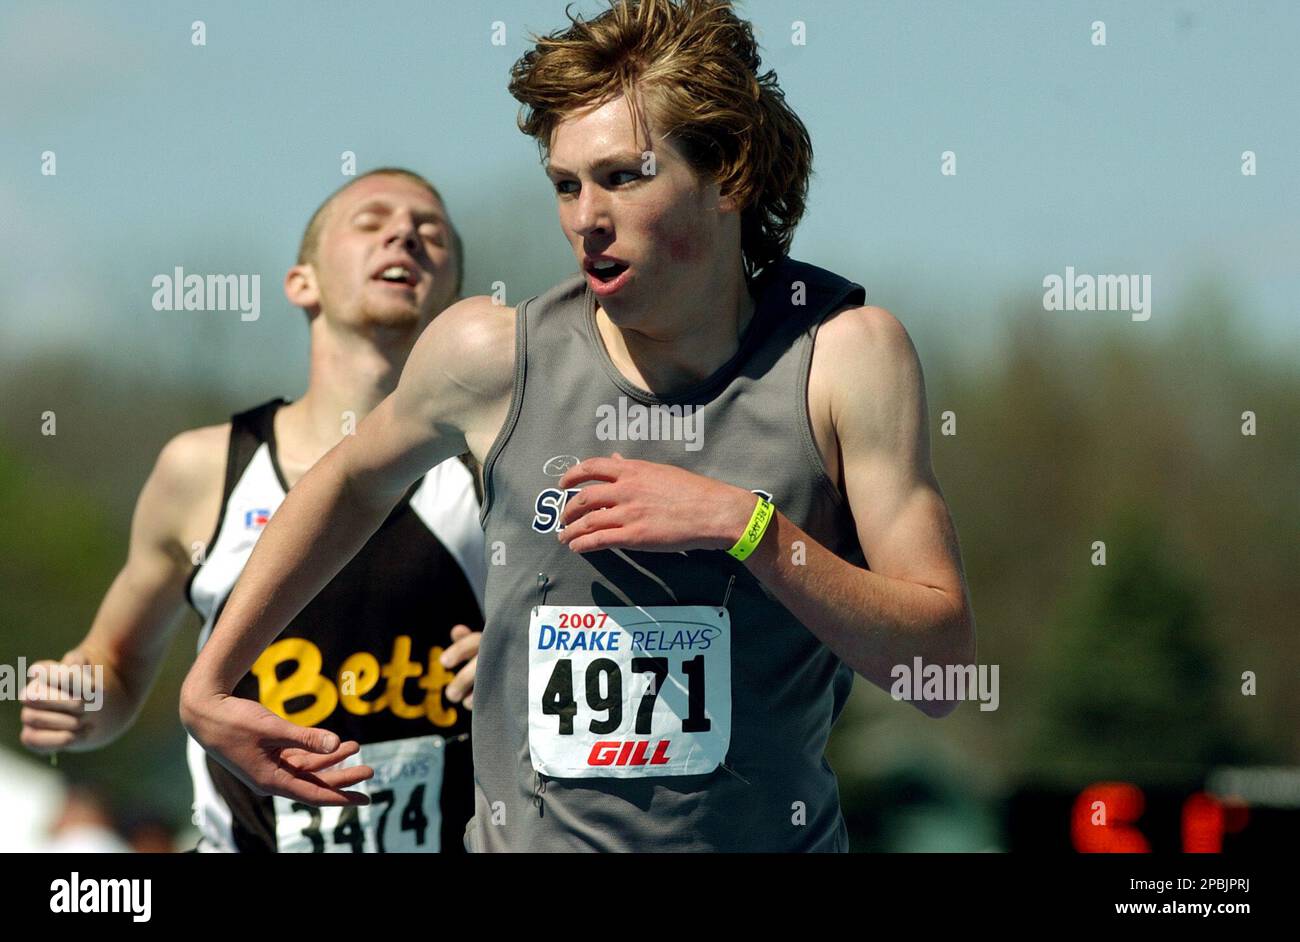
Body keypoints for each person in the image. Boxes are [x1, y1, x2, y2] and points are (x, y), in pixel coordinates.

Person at [181, 0, 976, 852]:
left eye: (624, 176)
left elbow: (940, 670)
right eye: (566, 184)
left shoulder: (843, 358)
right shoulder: (490, 357)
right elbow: (347, 481)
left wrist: (745, 529)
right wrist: (212, 682)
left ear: (728, 175)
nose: (585, 217)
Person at [21, 168, 486, 853]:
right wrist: (80, 699)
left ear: (455, 300)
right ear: (303, 282)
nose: (404, 235)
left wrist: (522, 653)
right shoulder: (203, 470)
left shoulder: (491, 462)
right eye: (372, 221)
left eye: (431, 232)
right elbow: (115, 666)